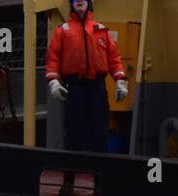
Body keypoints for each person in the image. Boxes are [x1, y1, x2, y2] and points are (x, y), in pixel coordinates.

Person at [46, 0, 128, 161]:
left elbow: (114, 59)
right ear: (72, 5)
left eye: (82, 0)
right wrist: (54, 82)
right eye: (75, 1)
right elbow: (52, 59)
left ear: (89, 4)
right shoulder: (62, 31)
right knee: (73, 131)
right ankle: (70, 174)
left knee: (100, 130)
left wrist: (120, 81)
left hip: (97, 87)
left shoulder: (101, 30)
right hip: (75, 88)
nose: (79, 3)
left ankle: (99, 174)